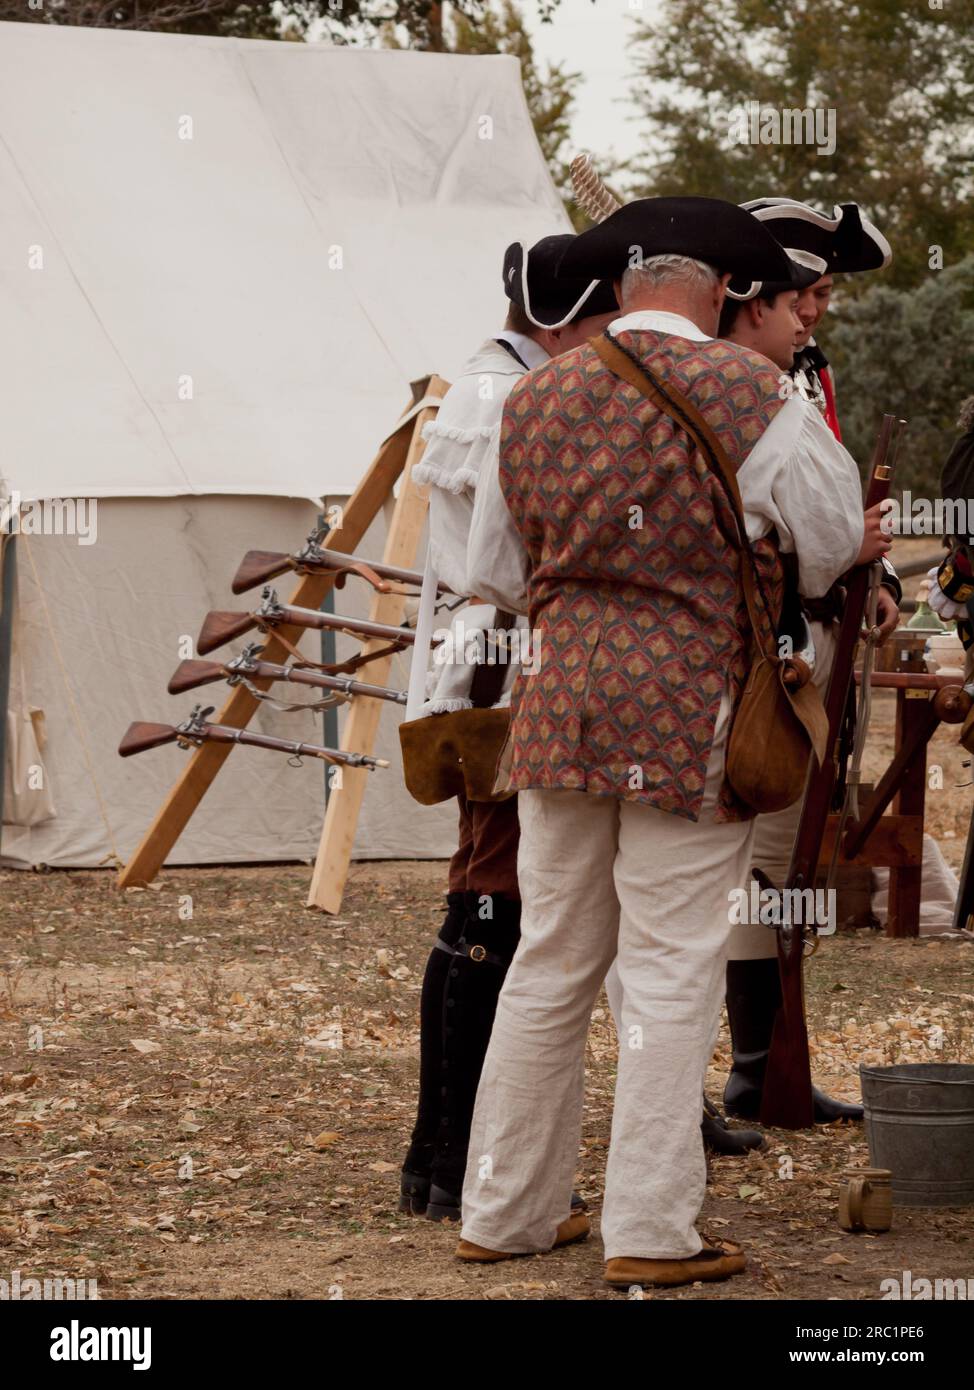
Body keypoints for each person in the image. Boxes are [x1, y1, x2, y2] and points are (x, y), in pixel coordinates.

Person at [458, 196, 885, 1287]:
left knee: (549, 956)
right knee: (665, 965)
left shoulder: (536, 393)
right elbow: (831, 544)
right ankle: (648, 1230)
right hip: (686, 705)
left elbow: (493, 574)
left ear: (632, 283)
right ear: (727, 294)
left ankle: (503, 1210)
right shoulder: (751, 389)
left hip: (557, 705)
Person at [399, 236, 617, 1223]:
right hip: (504, 670)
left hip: (482, 665)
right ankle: (460, 1166)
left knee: (477, 913)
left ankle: (437, 1159)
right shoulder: (508, 398)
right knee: (493, 909)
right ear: (563, 321)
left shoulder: (488, 386)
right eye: (603, 324)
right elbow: (508, 559)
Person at [719, 199, 900, 1126]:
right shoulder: (750, 376)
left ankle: (770, 1063)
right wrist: (844, 554)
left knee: (786, 856)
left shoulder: (804, 366)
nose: (818, 311)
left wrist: (876, 575)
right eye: (810, 291)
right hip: (777, 635)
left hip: (818, 616)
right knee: (759, 854)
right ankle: (756, 1067)